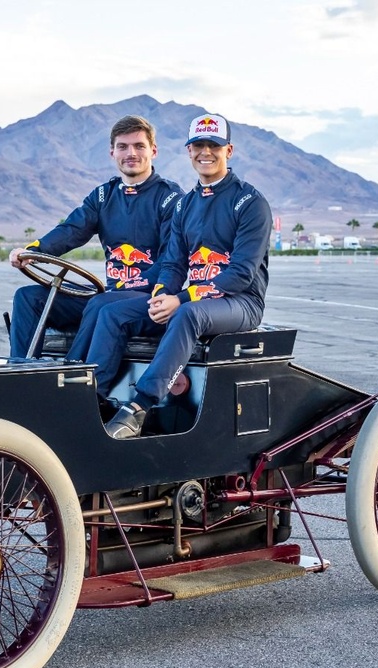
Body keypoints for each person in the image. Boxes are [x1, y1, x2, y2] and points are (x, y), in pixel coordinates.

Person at [91, 113, 272, 439]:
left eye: (214, 145)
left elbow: (241, 275)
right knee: (113, 312)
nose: (206, 152)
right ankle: (93, 401)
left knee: (187, 313)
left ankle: (139, 407)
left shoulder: (250, 203)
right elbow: (173, 264)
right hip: (199, 301)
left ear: (228, 151)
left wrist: (182, 298)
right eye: (199, 145)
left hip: (241, 303)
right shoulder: (185, 205)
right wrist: (161, 295)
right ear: (189, 151)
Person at [7, 115, 182, 360]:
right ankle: (20, 373)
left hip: (150, 300)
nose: (130, 153)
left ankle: (72, 376)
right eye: (122, 147)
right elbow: (71, 230)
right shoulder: (102, 196)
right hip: (110, 295)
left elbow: (170, 263)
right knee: (28, 297)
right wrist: (34, 251)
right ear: (112, 152)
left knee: (100, 304)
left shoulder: (171, 199)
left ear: (153, 151)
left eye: (139, 146)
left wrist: (125, 287)